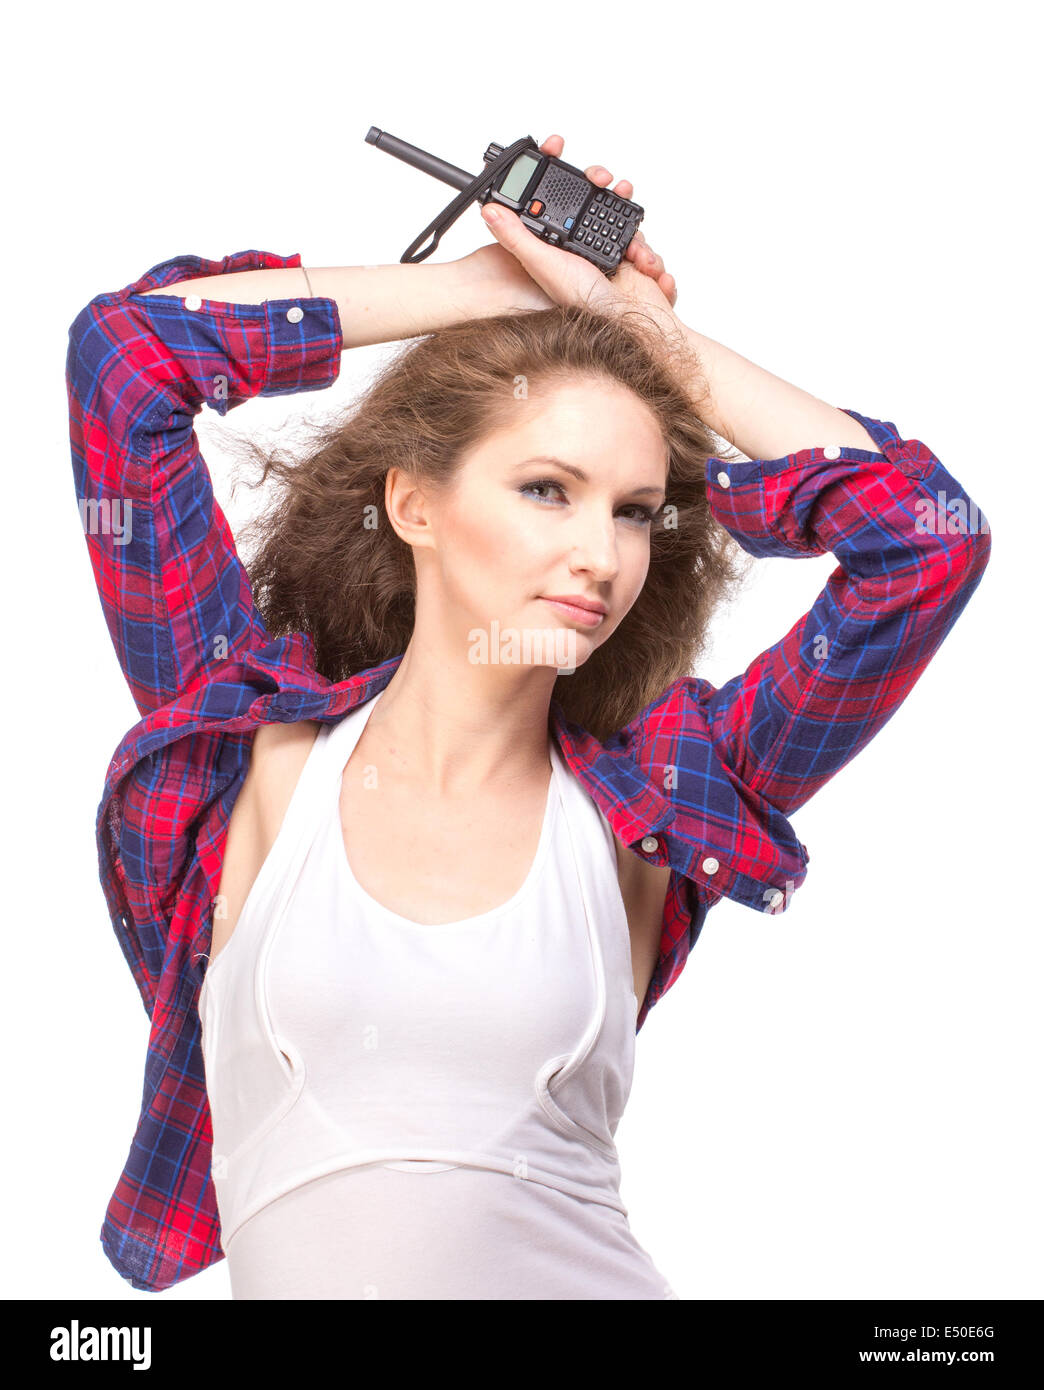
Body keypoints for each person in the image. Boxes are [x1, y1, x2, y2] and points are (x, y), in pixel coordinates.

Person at [65, 135, 990, 1298]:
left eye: (639, 511)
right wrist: (484, 284)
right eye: (546, 488)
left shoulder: (659, 799)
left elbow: (928, 540)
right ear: (413, 503)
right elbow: (126, 359)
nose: (598, 554)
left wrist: (636, 328)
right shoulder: (249, 750)